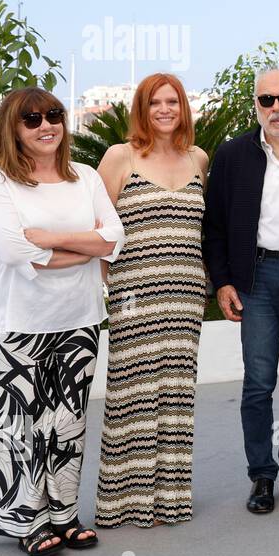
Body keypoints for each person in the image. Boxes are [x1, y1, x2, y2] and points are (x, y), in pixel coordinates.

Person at [0, 88, 124, 556]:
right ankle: (26, 520)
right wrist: (82, 248)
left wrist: (52, 241)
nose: (47, 125)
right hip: (22, 322)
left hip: (80, 318)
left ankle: (63, 514)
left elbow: (112, 239)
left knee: (67, 421)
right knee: (20, 422)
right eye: (32, 119)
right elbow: (15, 251)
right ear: (14, 128)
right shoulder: (0, 182)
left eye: (55, 115)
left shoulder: (84, 176)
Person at [202, 68, 279, 514]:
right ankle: (261, 475)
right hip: (256, 279)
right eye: (267, 100)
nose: (277, 108)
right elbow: (213, 226)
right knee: (257, 384)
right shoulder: (234, 154)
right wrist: (224, 282)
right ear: (256, 106)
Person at [95, 72, 208, 527]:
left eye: (173, 102)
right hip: (134, 296)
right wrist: (103, 290)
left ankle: (169, 500)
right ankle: (124, 503)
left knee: (176, 395)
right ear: (141, 109)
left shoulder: (198, 157)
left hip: (186, 296)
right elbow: (99, 232)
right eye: (155, 102)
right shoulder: (119, 157)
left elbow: (206, 230)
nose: (165, 110)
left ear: (183, 109)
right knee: (133, 395)